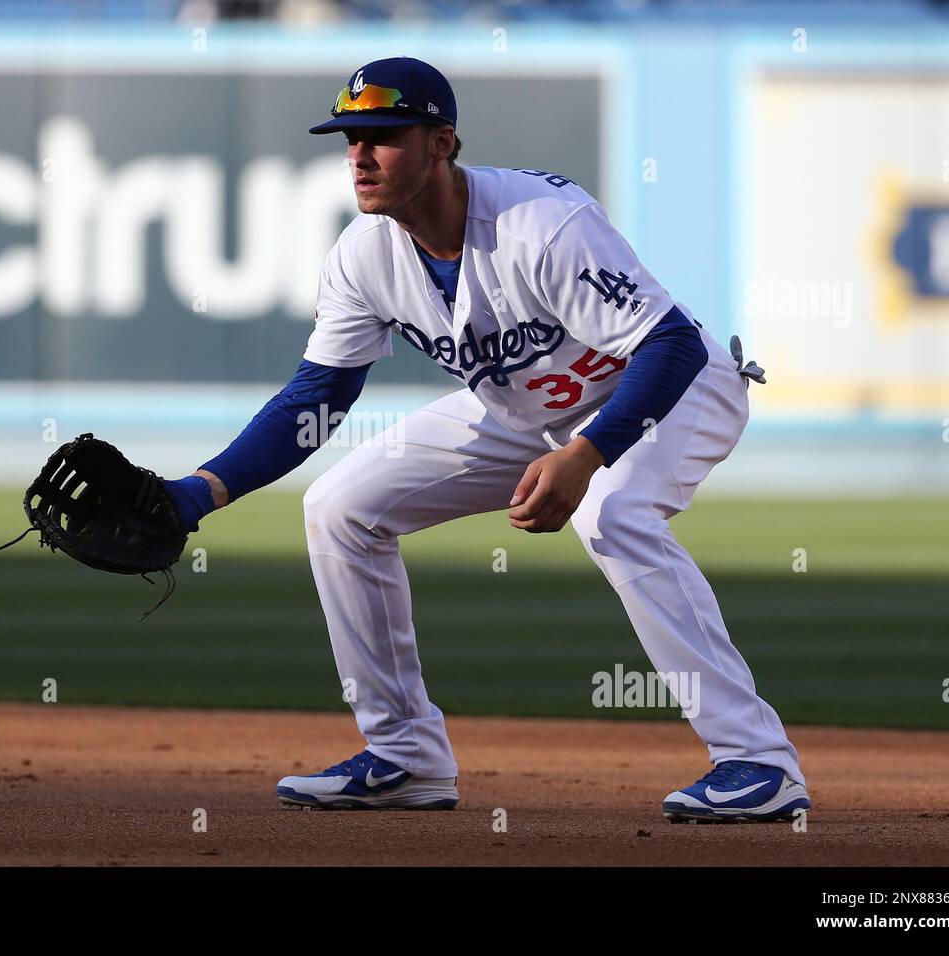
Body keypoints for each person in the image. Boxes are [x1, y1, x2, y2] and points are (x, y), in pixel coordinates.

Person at [162, 57, 809, 822]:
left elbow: (667, 346)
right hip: (529, 413)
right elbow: (318, 395)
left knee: (614, 513)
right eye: (349, 139)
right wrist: (198, 493)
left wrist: (586, 456)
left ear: (442, 144)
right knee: (340, 507)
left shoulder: (540, 223)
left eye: (382, 136)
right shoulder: (364, 256)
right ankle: (406, 757)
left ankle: (756, 761)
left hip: (673, 388)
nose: (359, 157)